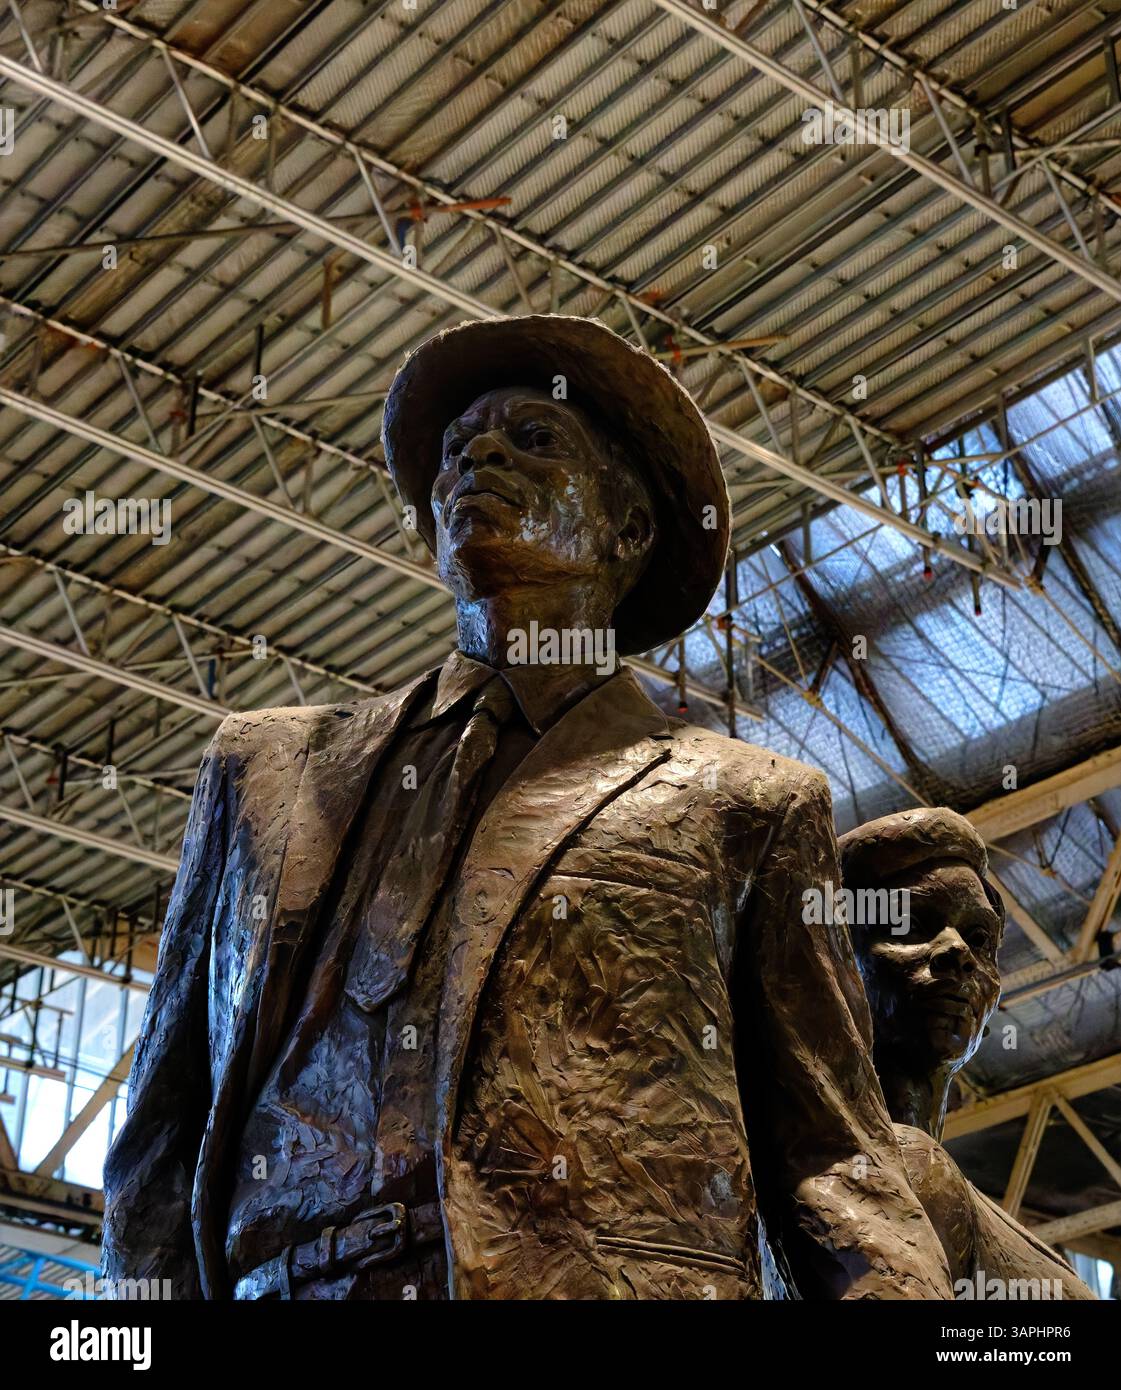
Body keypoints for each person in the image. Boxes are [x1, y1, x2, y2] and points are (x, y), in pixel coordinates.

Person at [102, 315, 950, 1300]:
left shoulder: (743, 807)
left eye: (533, 438)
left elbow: (832, 1164)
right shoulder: (266, 773)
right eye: (458, 448)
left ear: (627, 530)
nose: (480, 455)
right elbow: (159, 1145)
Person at [839, 807, 1094, 1300]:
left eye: (978, 938)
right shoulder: (880, 1171)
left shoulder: (944, 1184)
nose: (957, 951)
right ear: (837, 960)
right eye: (910, 924)